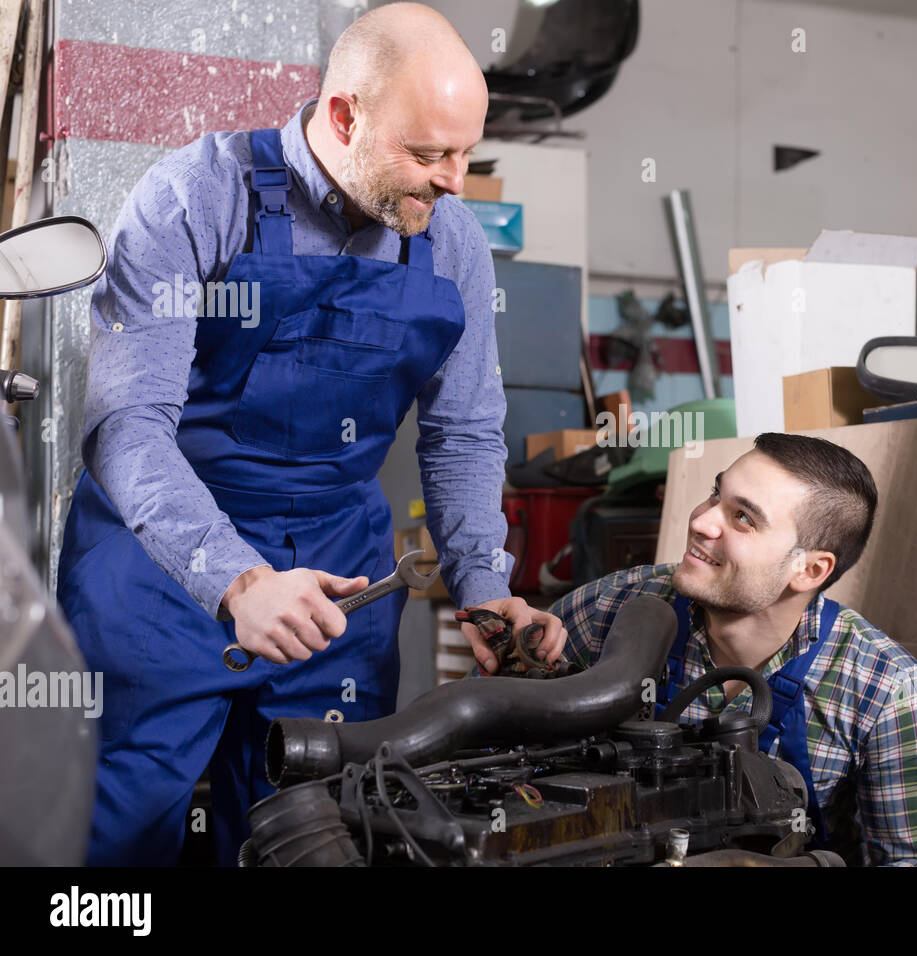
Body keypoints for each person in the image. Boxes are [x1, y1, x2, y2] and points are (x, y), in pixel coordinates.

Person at [56, 3, 565, 866]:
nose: (455, 181)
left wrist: (484, 585)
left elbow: (465, 433)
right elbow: (127, 427)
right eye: (430, 153)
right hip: (158, 566)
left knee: (317, 821)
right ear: (344, 116)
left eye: (468, 152)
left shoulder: (453, 243)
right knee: (119, 823)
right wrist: (236, 577)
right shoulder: (196, 197)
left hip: (340, 570)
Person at [531, 432, 917, 865]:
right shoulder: (607, 609)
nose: (701, 522)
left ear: (810, 569)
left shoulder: (884, 686)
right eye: (716, 494)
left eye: (742, 518)